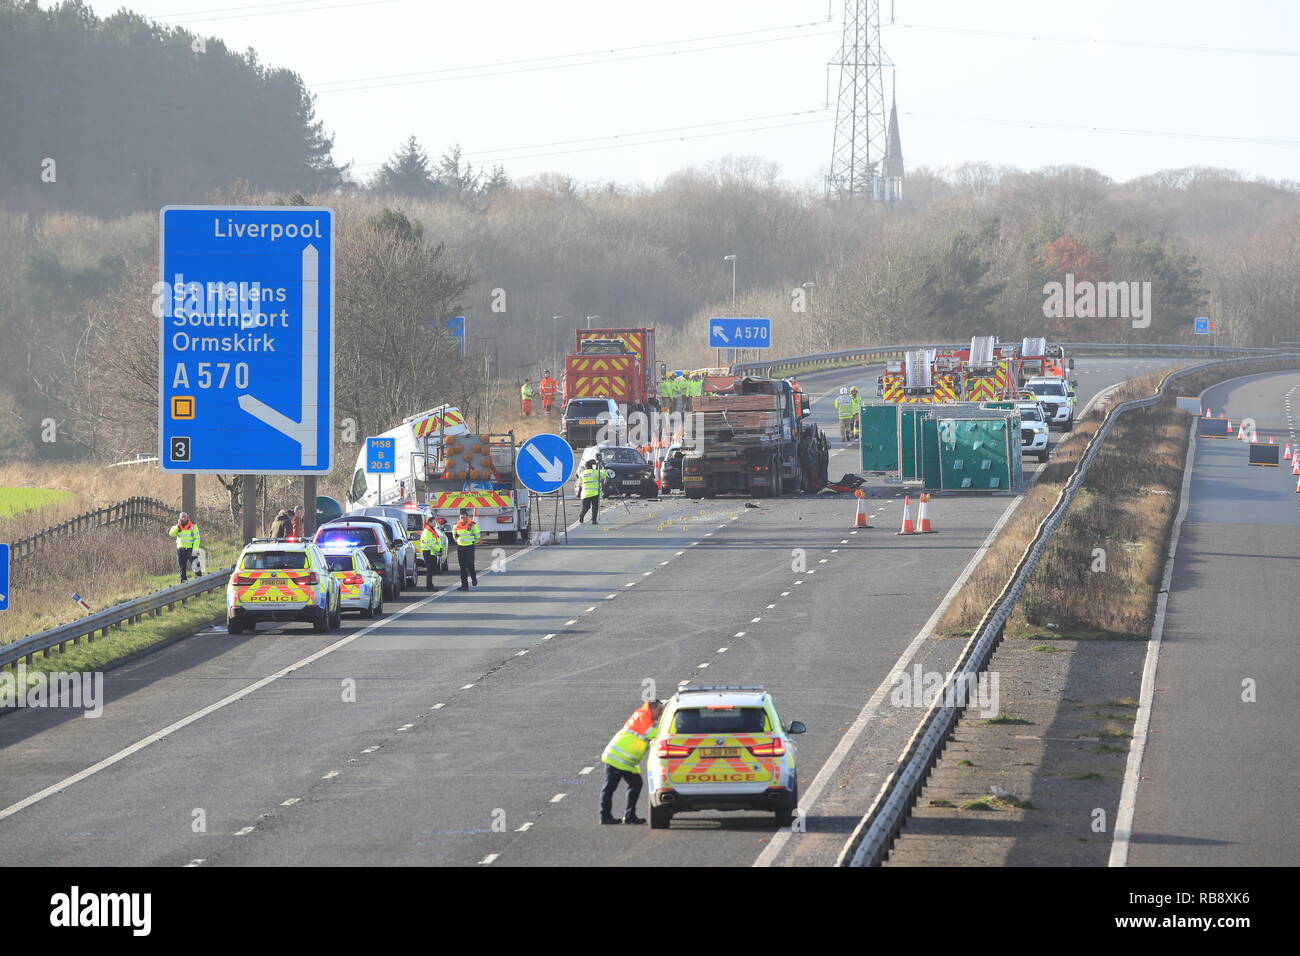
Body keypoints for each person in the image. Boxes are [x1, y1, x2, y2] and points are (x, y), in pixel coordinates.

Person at [599, 698, 665, 825]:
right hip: (616, 758)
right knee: (611, 787)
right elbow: (653, 734)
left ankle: (627, 816)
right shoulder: (642, 716)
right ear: (652, 707)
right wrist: (671, 730)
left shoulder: (645, 717)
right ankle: (607, 816)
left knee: (632, 784)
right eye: (659, 710)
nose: (660, 713)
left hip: (623, 761)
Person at [577, 457, 614, 525]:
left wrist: (579, 493)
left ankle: (581, 515)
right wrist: (603, 467)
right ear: (591, 466)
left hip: (585, 493)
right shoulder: (595, 472)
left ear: (586, 467)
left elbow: (580, 484)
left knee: (586, 507)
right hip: (594, 493)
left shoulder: (582, 473)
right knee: (595, 507)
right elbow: (604, 475)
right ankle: (594, 521)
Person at [168, 512, 201, 582]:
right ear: (179, 518)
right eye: (181, 517)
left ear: (187, 517)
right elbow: (171, 534)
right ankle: (183, 583)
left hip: (191, 549)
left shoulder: (193, 526)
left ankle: (200, 580)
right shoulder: (177, 527)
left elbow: (197, 538)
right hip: (181, 550)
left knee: (196, 566)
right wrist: (177, 526)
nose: (183, 518)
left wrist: (195, 550)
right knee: (182, 568)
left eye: (184, 517)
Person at [452, 508, 480, 591]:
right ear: (459, 517)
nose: (462, 518)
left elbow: (477, 535)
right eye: (461, 516)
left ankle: (473, 578)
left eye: (464, 516)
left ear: (467, 517)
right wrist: (457, 540)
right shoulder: (456, 525)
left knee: (469, 564)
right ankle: (464, 585)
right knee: (462, 567)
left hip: (469, 546)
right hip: (460, 547)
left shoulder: (472, 524)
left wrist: (473, 541)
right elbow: (454, 535)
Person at [420, 515, 446, 590]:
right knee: (430, 570)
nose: (435, 523)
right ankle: (429, 586)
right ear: (430, 523)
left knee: (431, 570)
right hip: (428, 552)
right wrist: (439, 549)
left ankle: (430, 585)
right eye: (434, 522)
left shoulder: (431, 530)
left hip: (431, 552)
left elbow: (436, 541)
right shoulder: (427, 532)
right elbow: (432, 544)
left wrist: (439, 548)